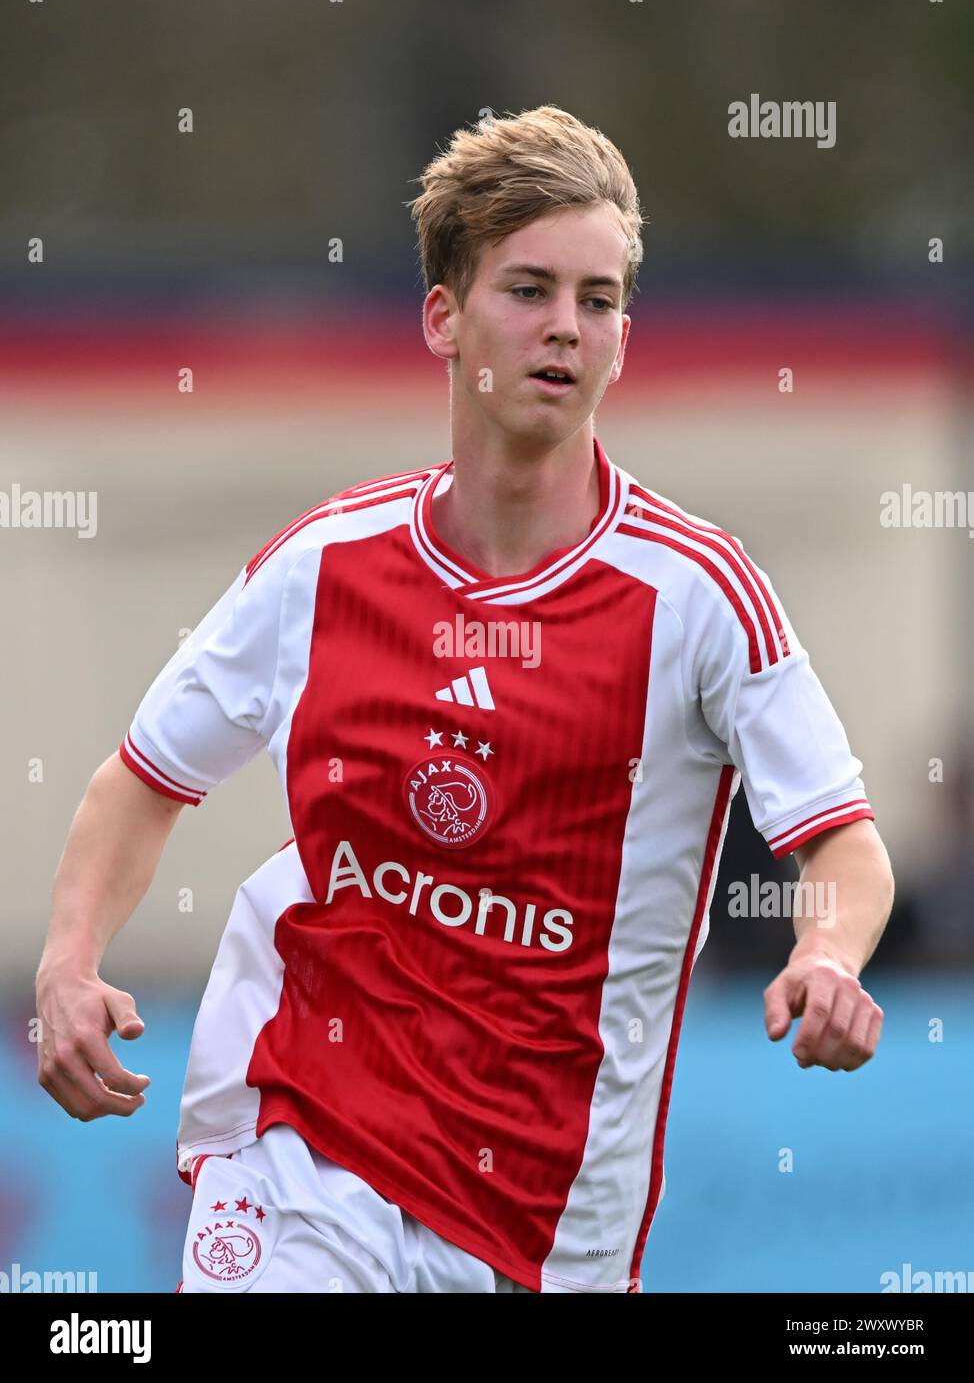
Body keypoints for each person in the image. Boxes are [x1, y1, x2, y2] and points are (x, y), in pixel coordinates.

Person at [35, 104, 895, 1294]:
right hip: (309, 1135)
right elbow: (142, 780)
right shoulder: (323, 565)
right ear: (443, 317)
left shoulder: (698, 592)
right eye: (528, 290)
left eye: (595, 301)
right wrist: (69, 962)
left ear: (624, 338)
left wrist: (830, 954)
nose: (563, 329)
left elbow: (843, 846)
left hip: (549, 1219)